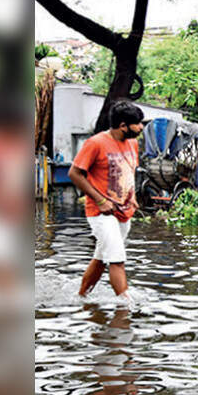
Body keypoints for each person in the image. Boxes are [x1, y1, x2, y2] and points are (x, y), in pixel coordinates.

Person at [69, 101, 143, 300]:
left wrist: (132, 196)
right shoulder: (96, 143)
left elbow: (130, 171)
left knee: (102, 258)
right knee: (117, 259)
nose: (141, 127)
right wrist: (100, 201)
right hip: (100, 212)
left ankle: (81, 296)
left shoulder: (133, 144)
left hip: (123, 211)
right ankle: (125, 306)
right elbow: (75, 174)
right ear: (122, 125)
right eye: (137, 124)